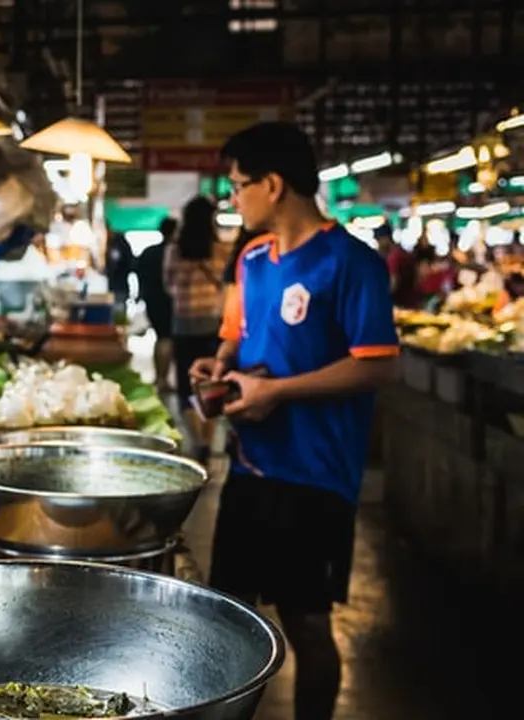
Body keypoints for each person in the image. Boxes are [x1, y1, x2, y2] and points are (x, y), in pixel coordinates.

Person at [191, 122, 398, 720]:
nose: (233, 198)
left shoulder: (352, 262)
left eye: (238, 185)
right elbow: (238, 332)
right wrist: (221, 363)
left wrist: (277, 391)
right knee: (231, 613)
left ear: (274, 184)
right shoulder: (253, 258)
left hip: (316, 476)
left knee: (307, 622)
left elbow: (377, 367)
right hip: (252, 465)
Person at [164, 197, 229, 411]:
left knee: (186, 383)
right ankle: (208, 438)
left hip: (182, 322)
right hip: (211, 322)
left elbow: (169, 284)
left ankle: (196, 440)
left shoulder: (174, 249)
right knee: (210, 382)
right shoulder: (220, 249)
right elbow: (225, 284)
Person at [135, 217, 177, 393]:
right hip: (168, 301)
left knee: (160, 338)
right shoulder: (175, 253)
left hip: (150, 300)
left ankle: (159, 377)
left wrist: (140, 295)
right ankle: (163, 380)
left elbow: (137, 273)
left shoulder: (148, 252)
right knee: (166, 339)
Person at [104, 230, 134, 306]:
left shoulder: (117, 247)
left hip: (117, 287)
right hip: (122, 286)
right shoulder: (125, 246)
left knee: (117, 310)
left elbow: (114, 266)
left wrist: (107, 271)